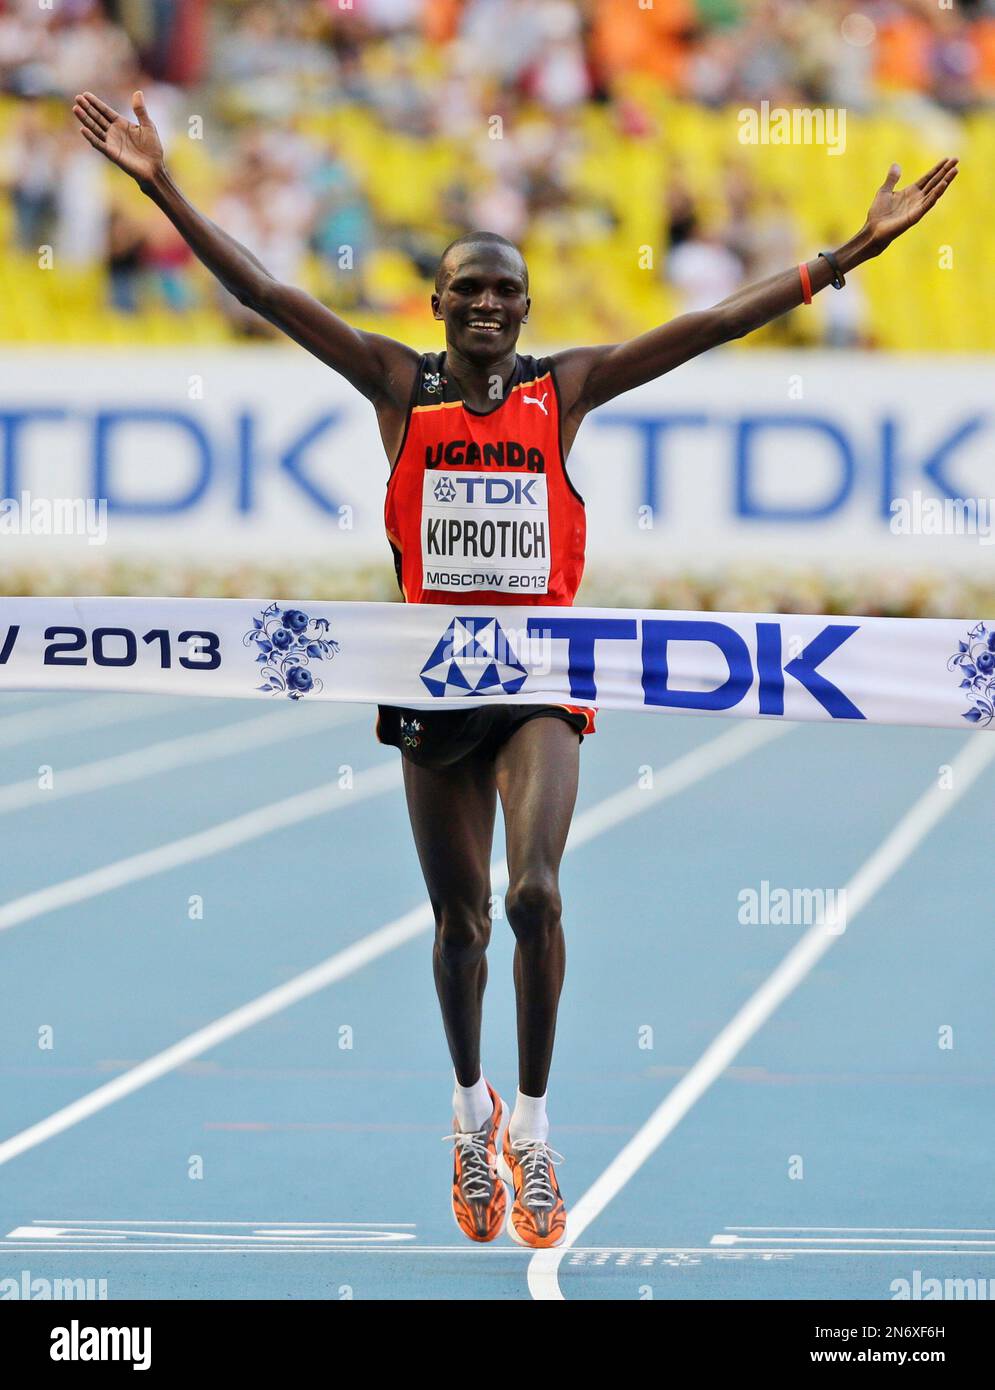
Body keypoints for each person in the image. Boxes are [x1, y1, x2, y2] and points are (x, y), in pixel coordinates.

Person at [71, 89, 957, 1249]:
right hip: (431, 687)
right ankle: (466, 1106)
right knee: (460, 923)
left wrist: (841, 256)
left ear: (525, 310)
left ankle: (531, 1132)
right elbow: (266, 294)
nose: (487, 304)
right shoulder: (397, 384)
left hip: (540, 675)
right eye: (468, 288)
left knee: (534, 891)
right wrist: (161, 184)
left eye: (506, 291)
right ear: (435, 303)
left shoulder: (564, 388)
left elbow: (701, 328)